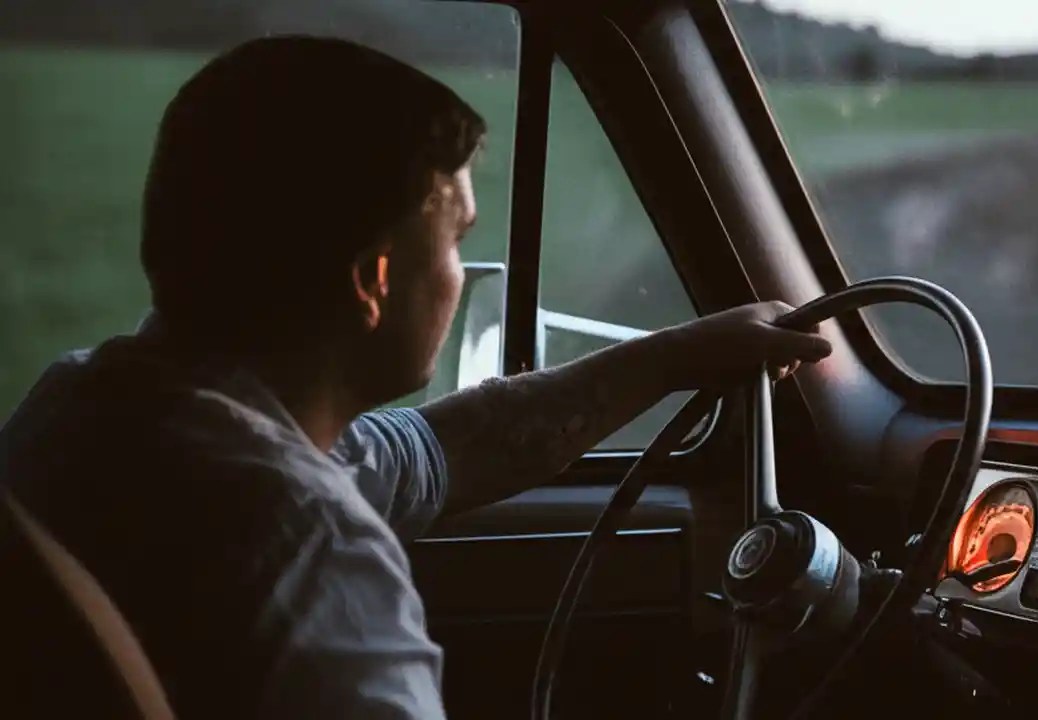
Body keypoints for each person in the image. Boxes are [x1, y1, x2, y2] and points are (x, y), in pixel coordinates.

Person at [0, 36, 831, 718]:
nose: (461, 270)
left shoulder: (82, 407)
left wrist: (680, 357)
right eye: (452, 239)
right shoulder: (311, 556)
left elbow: (453, 445)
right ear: (372, 282)